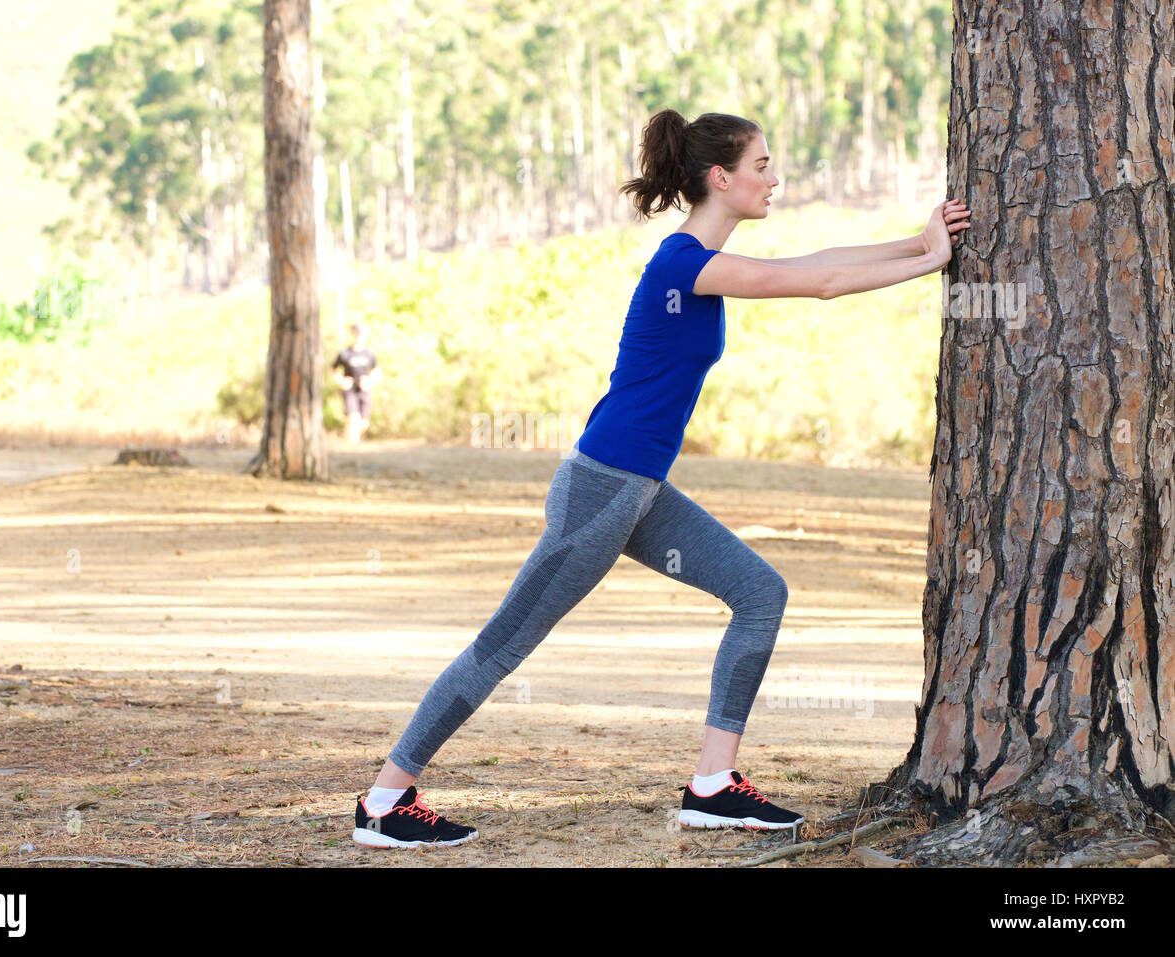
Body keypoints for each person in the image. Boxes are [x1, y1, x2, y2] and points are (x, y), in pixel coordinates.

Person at [352, 108, 972, 849]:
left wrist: (922, 237)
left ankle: (712, 785)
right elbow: (822, 282)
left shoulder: (699, 261)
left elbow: (820, 262)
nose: (774, 179)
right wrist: (930, 261)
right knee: (505, 643)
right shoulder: (683, 263)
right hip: (601, 491)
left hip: (636, 491)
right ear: (722, 178)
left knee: (759, 591)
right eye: (763, 166)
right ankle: (386, 798)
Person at [331, 323, 380, 444]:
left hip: (363, 390)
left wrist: (370, 381)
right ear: (353, 335)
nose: (359, 337)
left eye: (362, 334)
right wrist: (341, 381)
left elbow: (377, 370)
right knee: (353, 418)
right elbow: (332, 369)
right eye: (357, 334)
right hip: (350, 390)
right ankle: (351, 449)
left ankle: (345, 439)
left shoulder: (369, 354)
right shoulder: (345, 354)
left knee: (363, 424)